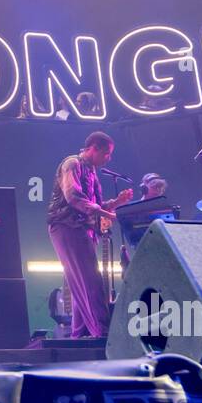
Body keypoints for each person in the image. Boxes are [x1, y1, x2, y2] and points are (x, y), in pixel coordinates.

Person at [46, 131, 133, 338]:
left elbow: (95, 204)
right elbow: (73, 196)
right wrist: (104, 212)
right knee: (91, 282)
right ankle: (102, 335)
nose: (108, 159)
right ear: (93, 148)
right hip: (67, 227)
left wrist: (117, 202)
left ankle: (79, 335)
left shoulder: (91, 171)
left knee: (81, 285)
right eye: (106, 153)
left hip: (80, 228)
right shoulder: (72, 164)